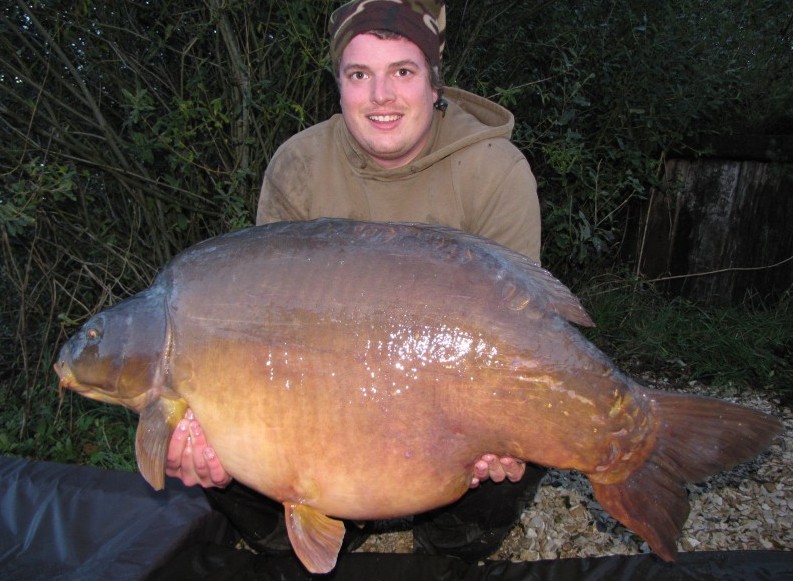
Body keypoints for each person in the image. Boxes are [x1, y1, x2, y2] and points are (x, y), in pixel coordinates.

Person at [166, 0, 546, 563]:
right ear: (338, 85)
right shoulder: (297, 166)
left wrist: (505, 431)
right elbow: (270, 334)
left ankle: (446, 543)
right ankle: (314, 531)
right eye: (359, 74)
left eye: (402, 72)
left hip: (449, 403)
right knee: (228, 446)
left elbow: (527, 332)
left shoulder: (495, 170)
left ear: (434, 83)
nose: (381, 96)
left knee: (529, 423)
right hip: (329, 393)